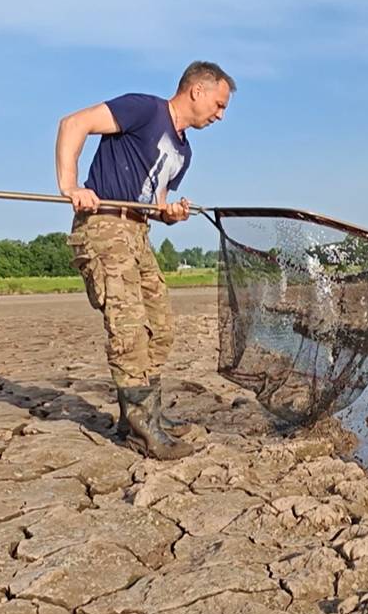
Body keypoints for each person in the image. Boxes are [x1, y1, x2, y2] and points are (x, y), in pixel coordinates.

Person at [54, 61, 235, 460]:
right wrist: (71, 186)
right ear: (197, 91)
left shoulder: (184, 152)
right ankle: (140, 430)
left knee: (160, 327)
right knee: (129, 328)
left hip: (138, 232)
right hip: (103, 226)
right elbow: (73, 123)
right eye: (219, 105)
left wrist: (169, 214)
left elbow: (154, 204)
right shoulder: (145, 110)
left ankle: (144, 413)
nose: (220, 115)